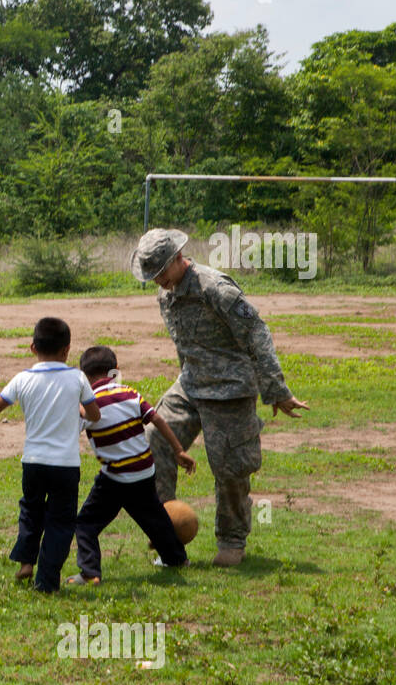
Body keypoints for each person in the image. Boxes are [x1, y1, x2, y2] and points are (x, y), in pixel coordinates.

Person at [132, 228, 310, 567]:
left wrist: (276, 389)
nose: (157, 281)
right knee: (154, 438)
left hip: (230, 388)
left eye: (159, 272)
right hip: (191, 382)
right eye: (151, 275)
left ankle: (231, 541)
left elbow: (257, 332)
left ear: (176, 260)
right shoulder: (166, 294)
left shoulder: (216, 289)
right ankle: (166, 529)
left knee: (229, 466)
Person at [0, 318, 100, 594]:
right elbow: (94, 415)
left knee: (31, 511)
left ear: (32, 347)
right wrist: (81, 412)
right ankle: (46, 581)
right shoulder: (77, 378)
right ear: (67, 350)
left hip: (33, 462)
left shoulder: (23, 378)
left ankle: (26, 562)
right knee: (60, 522)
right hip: (65, 465)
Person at [67, 346, 196, 586]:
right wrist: (178, 450)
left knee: (86, 524)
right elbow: (156, 419)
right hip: (144, 472)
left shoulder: (90, 404)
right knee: (155, 519)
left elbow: (75, 425)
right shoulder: (130, 393)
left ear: (84, 376)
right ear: (115, 371)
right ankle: (177, 559)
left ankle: (89, 572)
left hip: (115, 477)